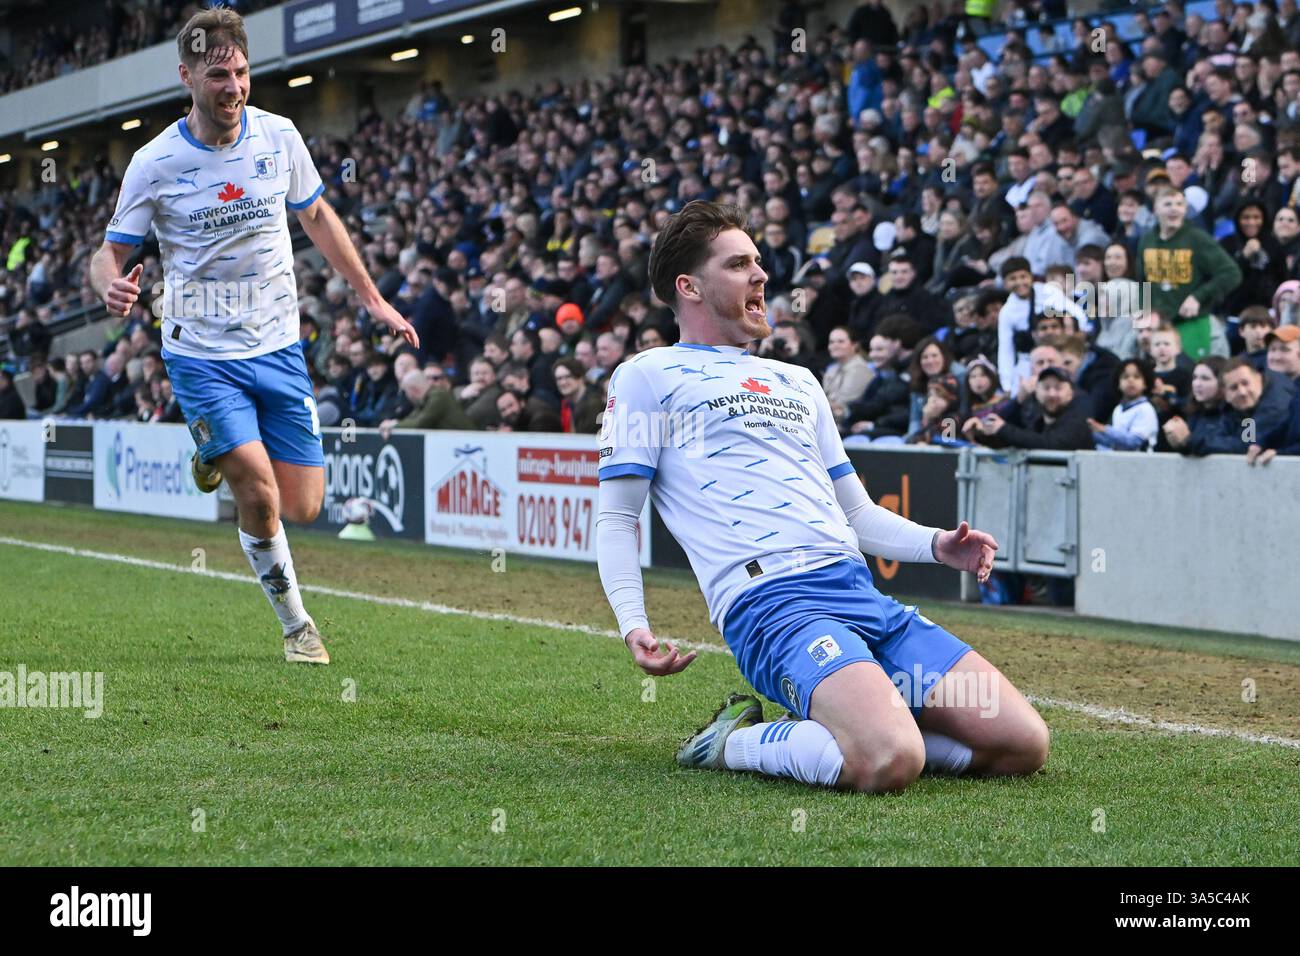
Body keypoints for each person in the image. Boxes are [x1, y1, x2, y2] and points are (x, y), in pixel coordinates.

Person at [597, 201, 1047, 794]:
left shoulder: (798, 380)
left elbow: (856, 514)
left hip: (859, 593)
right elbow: (617, 515)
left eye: (758, 261)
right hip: (775, 606)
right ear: (690, 287)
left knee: (1022, 745)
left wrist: (937, 545)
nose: (761, 275)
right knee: (890, 761)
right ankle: (734, 741)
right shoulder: (646, 375)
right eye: (738, 265)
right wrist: (634, 624)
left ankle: (858, 716)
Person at [89, 7, 418, 664]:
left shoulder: (280, 136)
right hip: (202, 354)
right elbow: (108, 251)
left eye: (240, 72)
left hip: (277, 345)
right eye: (218, 76)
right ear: (186, 77)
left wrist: (373, 298)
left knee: (301, 505)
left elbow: (318, 216)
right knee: (259, 493)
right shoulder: (156, 163)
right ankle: (298, 627)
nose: (233, 87)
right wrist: (109, 283)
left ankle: (216, 453)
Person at [1136, 186, 1242, 360]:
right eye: (1168, 204)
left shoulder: (1197, 238)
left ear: (1185, 209)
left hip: (1192, 324)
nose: (1174, 208)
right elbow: (1142, 283)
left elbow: (1231, 273)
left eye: (1179, 204)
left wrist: (1199, 297)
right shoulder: (1147, 240)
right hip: (1158, 327)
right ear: (1155, 209)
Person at [1168, 358, 1293, 455]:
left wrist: (1190, 441)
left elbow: (1246, 445)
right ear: (1225, 394)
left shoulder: (1275, 404)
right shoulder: (1238, 408)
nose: (1242, 392)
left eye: (1245, 383)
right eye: (1234, 387)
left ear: (1258, 379)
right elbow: (1222, 437)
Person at [966, 366, 1093, 451]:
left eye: (1058, 388)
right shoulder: (1037, 422)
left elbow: (1051, 444)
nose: (1052, 394)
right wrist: (981, 432)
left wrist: (1003, 428)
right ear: (1036, 391)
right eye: (1046, 388)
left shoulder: (1076, 421)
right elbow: (1011, 440)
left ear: (1071, 393)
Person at [1089, 360, 1159, 451]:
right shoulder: (1118, 409)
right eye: (1125, 377)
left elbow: (1134, 442)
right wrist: (1092, 433)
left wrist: (1104, 429)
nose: (1131, 380)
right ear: (1118, 384)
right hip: (1121, 462)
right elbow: (1114, 443)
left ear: (1145, 384)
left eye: (1137, 377)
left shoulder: (1145, 409)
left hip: (1142, 462)